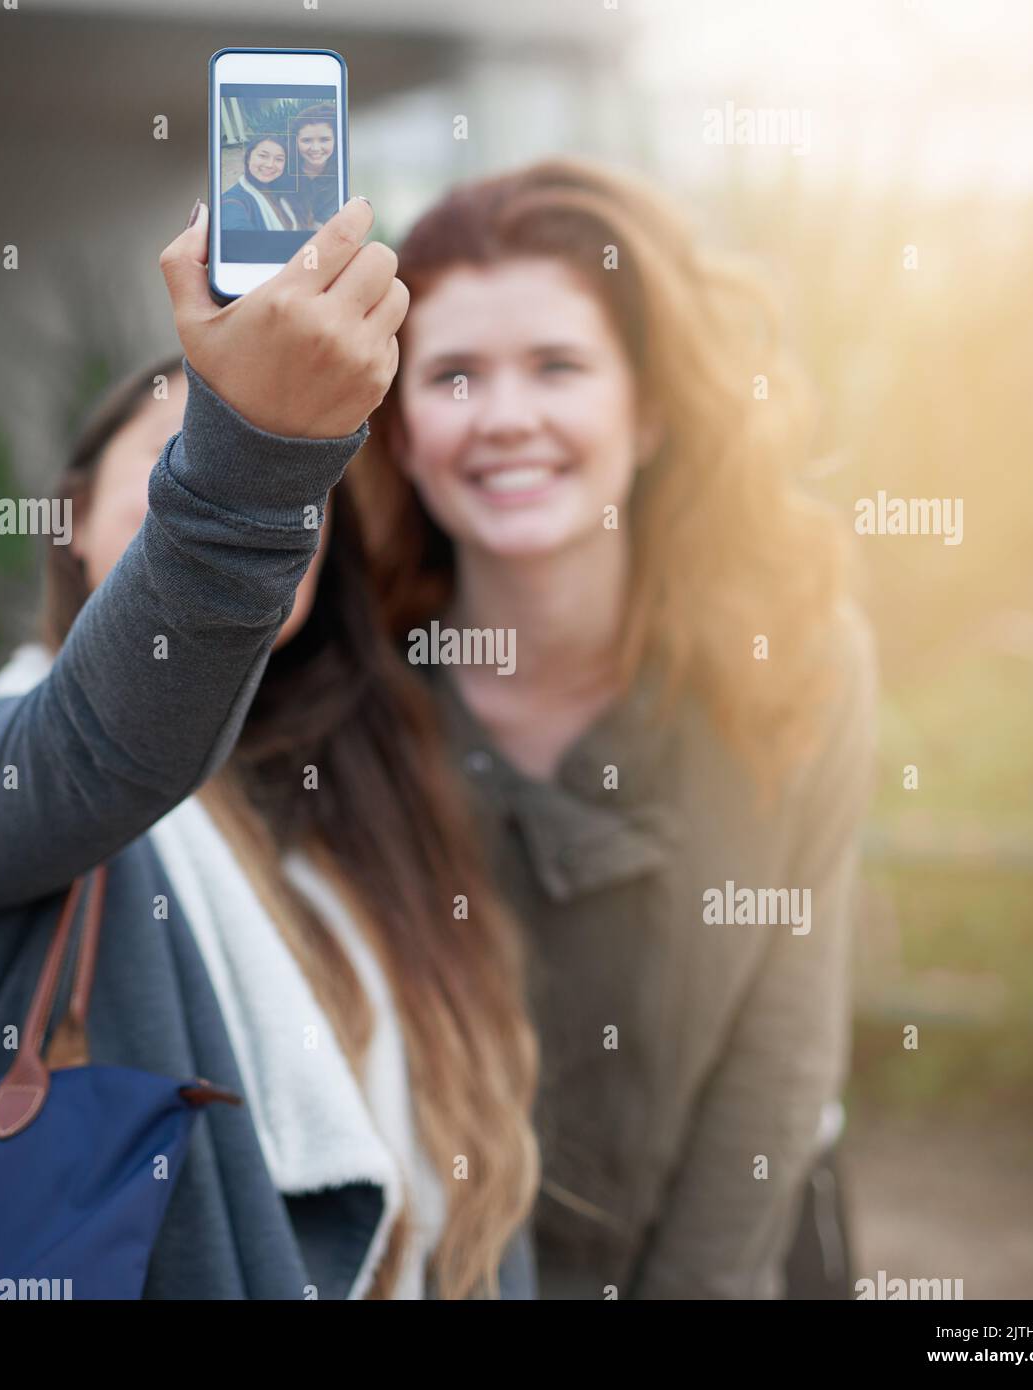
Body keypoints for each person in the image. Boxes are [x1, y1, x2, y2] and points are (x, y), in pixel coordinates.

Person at [0, 196, 539, 1300]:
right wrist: (253, 451)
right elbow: (109, 750)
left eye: (301, 494)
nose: (237, 497)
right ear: (69, 517)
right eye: (180, 458)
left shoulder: (347, 828)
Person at [355, 158, 878, 1299]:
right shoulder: (352, 698)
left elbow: (780, 1063)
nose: (505, 418)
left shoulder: (795, 661)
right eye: (451, 376)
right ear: (397, 432)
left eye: (556, 365)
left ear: (647, 410)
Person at [221, 133, 302, 231]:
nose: (270, 164)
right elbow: (235, 230)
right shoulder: (232, 201)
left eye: (279, 159)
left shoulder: (282, 190)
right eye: (263, 156)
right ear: (248, 158)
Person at [291, 104, 340, 228]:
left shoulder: (342, 175)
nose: (315, 149)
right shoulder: (281, 169)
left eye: (324, 140)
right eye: (306, 140)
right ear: (295, 141)